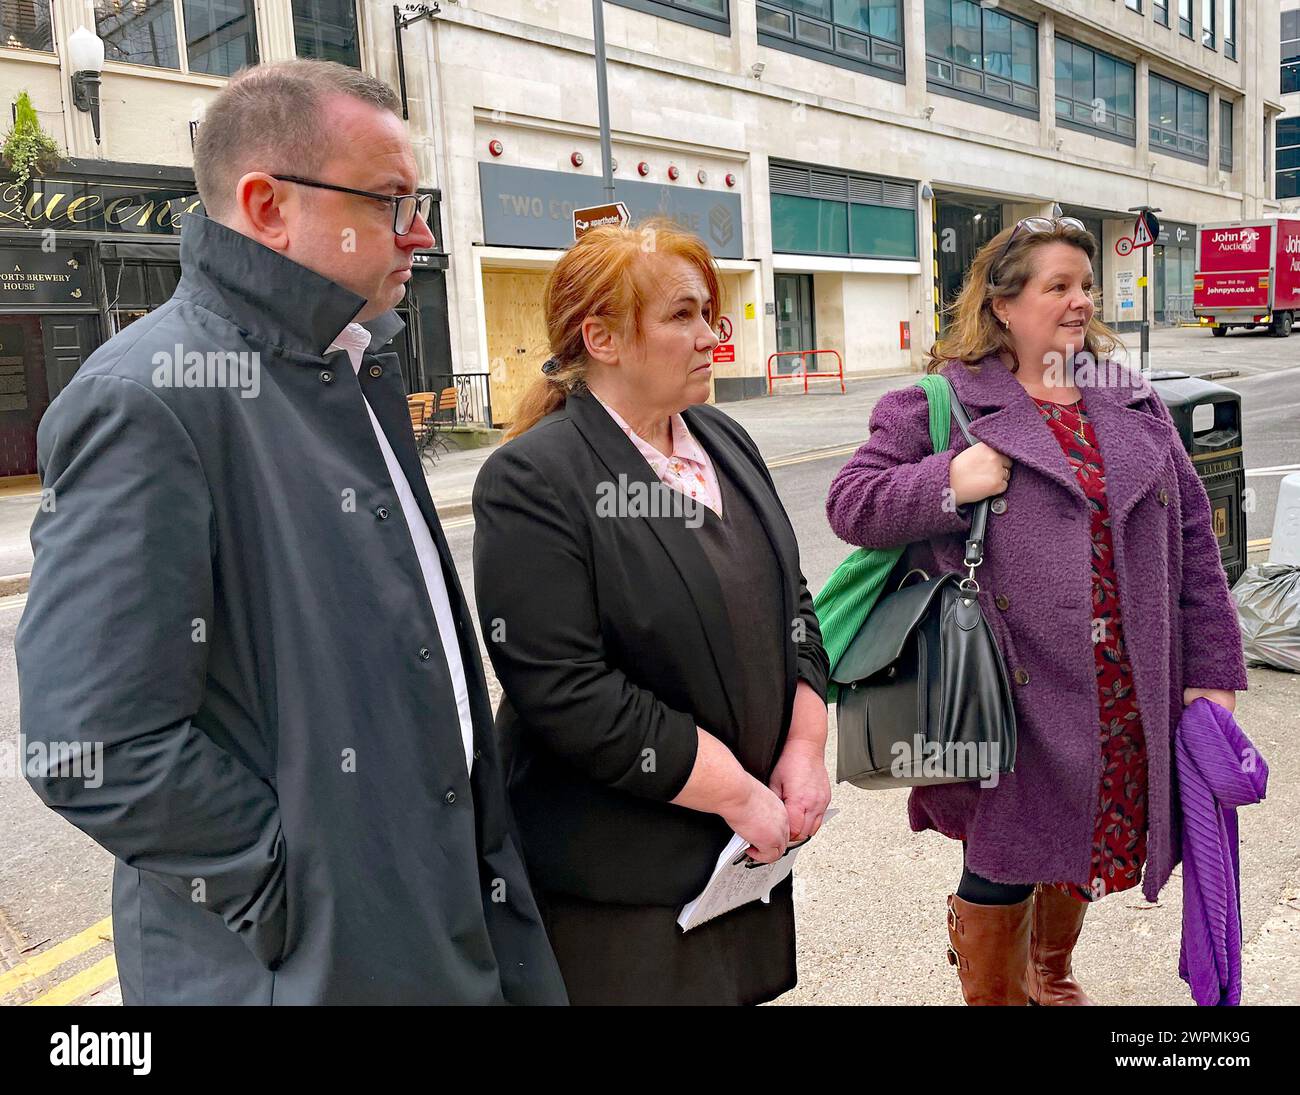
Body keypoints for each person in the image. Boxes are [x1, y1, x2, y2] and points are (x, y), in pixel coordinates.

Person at [16, 60, 565, 1005]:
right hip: (307, 964)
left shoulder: (352, 364)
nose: (422, 233)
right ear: (267, 205)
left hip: (438, 927)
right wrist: (294, 889)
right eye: (393, 201)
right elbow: (92, 741)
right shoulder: (147, 399)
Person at [826, 217, 1247, 1006]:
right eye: (1059, 286)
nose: (1081, 301)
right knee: (1003, 855)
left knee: (1090, 828)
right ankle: (995, 992)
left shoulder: (1129, 397)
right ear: (1004, 303)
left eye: (1086, 285)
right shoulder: (942, 400)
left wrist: (1212, 672)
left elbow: (1194, 541)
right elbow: (853, 504)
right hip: (1010, 685)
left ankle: (1049, 971)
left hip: (1124, 680)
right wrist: (954, 478)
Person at [472, 219, 830, 1005]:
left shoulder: (724, 437)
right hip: (619, 887)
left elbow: (792, 603)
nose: (710, 335)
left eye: (709, 312)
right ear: (600, 337)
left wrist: (805, 741)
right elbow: (564, 689)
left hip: (737, 861)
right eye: (680, 315)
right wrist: (734, 790)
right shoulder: (534, 479)